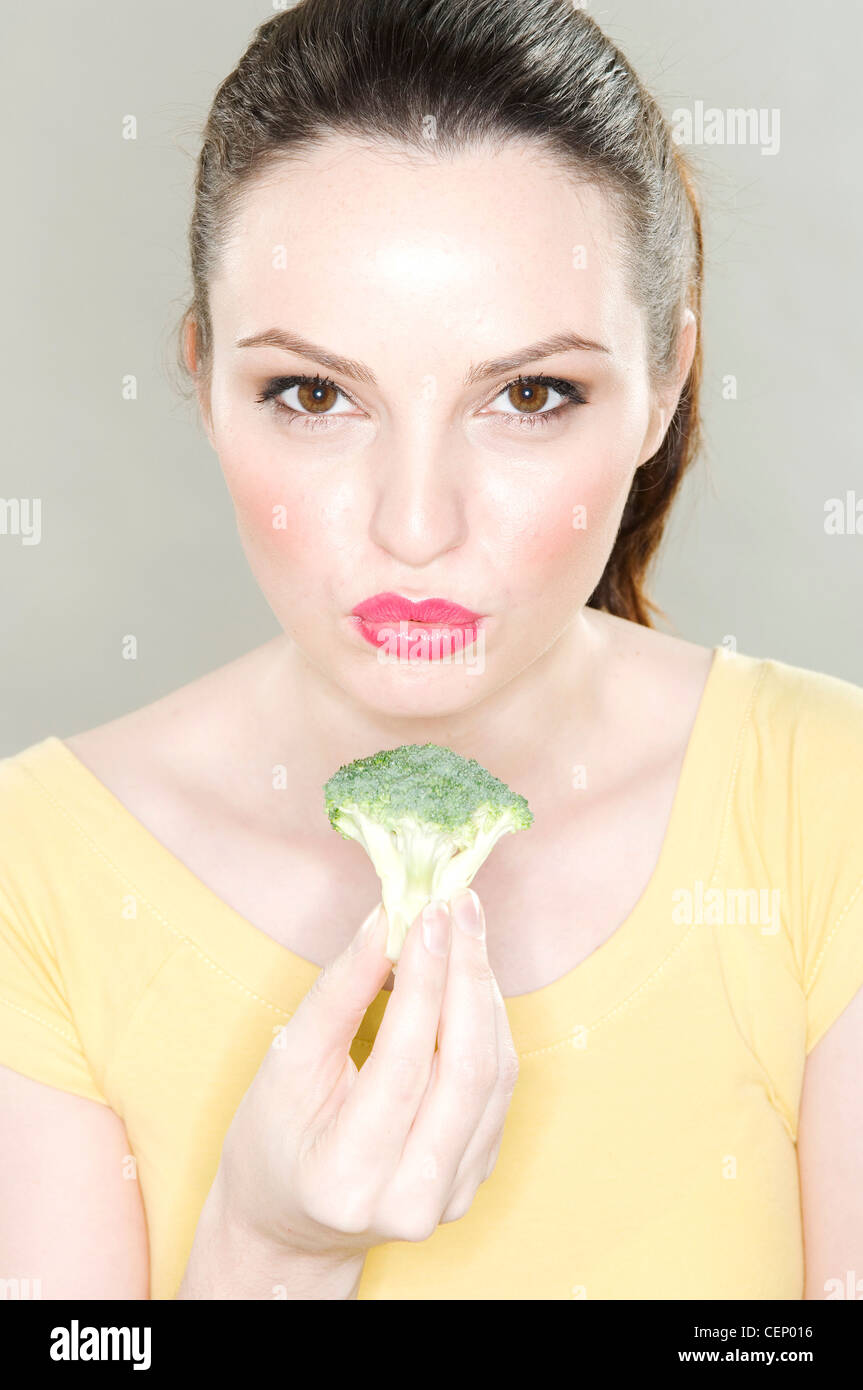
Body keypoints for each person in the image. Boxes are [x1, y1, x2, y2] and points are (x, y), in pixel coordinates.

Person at [1, 0, 862, 1302]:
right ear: (201, 375)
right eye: (314, 394)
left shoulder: (832, 806)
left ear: (668, 384)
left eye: (529, 396)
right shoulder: (34, 881)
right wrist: (273, 1249)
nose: (416, 524)